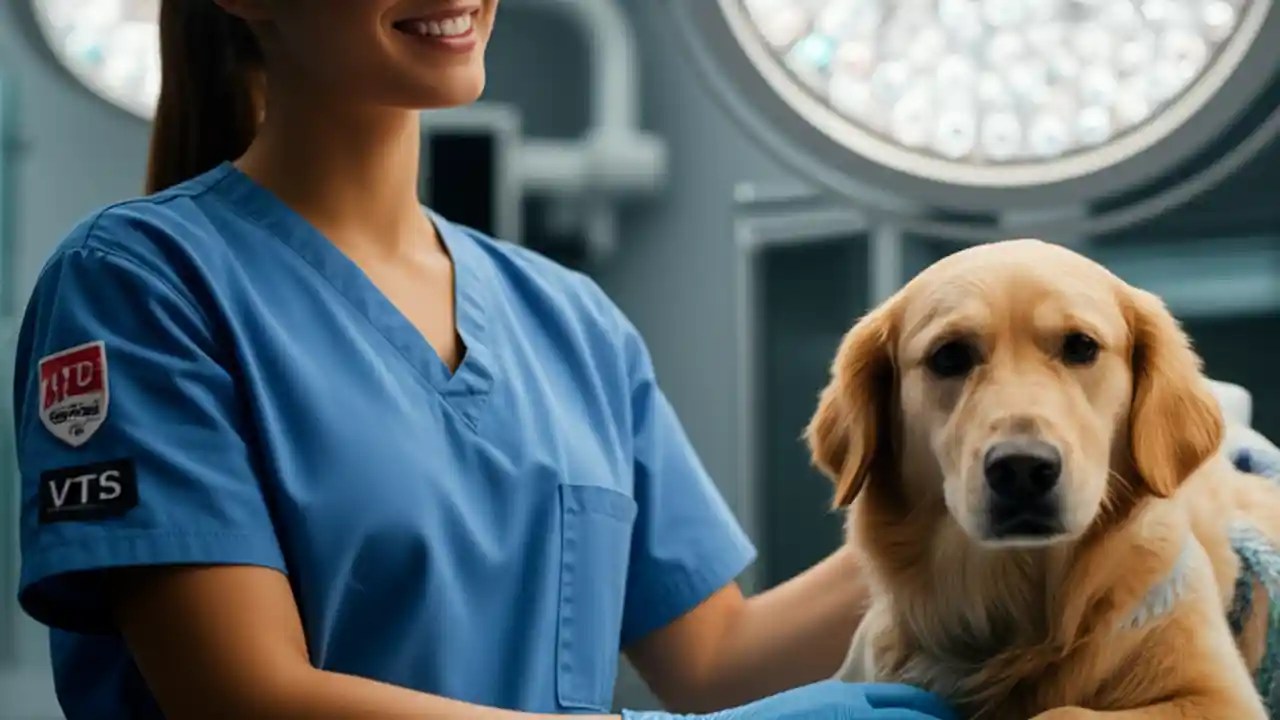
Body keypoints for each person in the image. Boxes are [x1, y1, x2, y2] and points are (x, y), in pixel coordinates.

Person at [10, 2, 960, 719]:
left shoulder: (568, 321)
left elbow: (714, 659)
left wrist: (968, 499)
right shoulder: (139, 285)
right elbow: (243, 696)